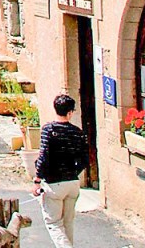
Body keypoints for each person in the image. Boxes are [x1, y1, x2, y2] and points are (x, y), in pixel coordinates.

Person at [31, 93, 90, 248]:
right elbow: (85, 159)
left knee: (54, 223)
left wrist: (37, 180)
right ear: (70, 112)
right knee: (67, 223)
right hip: (72, 183)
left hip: (54, 183)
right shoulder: (77, 132)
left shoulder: (48, 130)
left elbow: (43, 157)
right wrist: (73, 172)